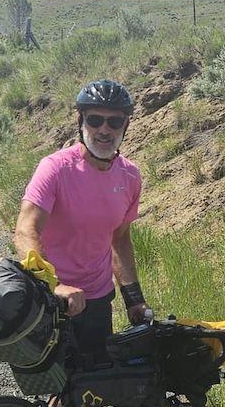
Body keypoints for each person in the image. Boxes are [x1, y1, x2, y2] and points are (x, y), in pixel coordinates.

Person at [14, 78, 149, 368]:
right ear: (81, 121)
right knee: (60, 386)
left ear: (126, 125)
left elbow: (120, 239)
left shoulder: (130, 177)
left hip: (97, 299)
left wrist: (134, 298)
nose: (104, 129)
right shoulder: (56, 168)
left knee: (92, 391)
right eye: (95, 119)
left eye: (114, 122)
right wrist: (54, 286)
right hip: (51, 299)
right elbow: (26, 231)